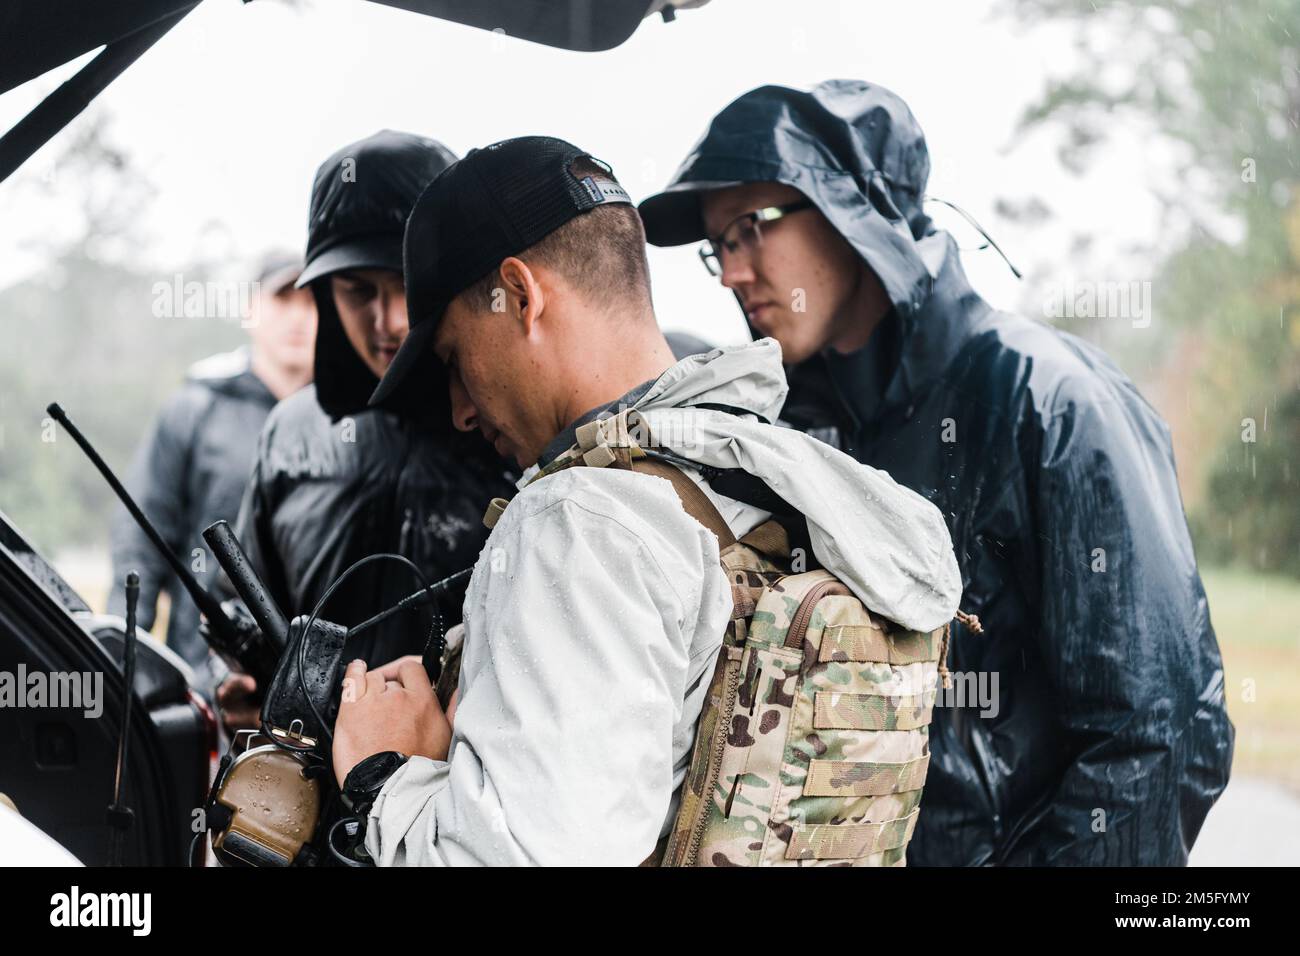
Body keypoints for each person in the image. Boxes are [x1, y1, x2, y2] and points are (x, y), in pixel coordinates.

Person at [637, 79, 1235, 866]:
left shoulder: (1049, 404)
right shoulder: (786, 436)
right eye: (720, 246)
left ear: (854, 210)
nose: (729, 273)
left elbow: (1160, 734)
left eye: (751, 229)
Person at [331, 135, 961, 866]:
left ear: (522, 296)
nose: (462, 410)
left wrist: (387, 774)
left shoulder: (581, 519)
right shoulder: (790, 480)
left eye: (454, 357)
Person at [214, 131, 520, 730]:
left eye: (405, 282)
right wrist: (239, 684)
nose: (387, 320)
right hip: (296, 793)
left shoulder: (510, 428)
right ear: (325, 294)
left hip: (453, 795)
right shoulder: (289, 434)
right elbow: (250, 602)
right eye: (357, 291)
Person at [109, 252, 315, 683]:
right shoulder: (194, 409)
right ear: (250, 309)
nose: (298, 316)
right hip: (198, 683)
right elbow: (141, 542)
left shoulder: (345, 423)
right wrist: (123, 668)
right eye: (283, 299)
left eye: (311, 301)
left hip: (309, 691)